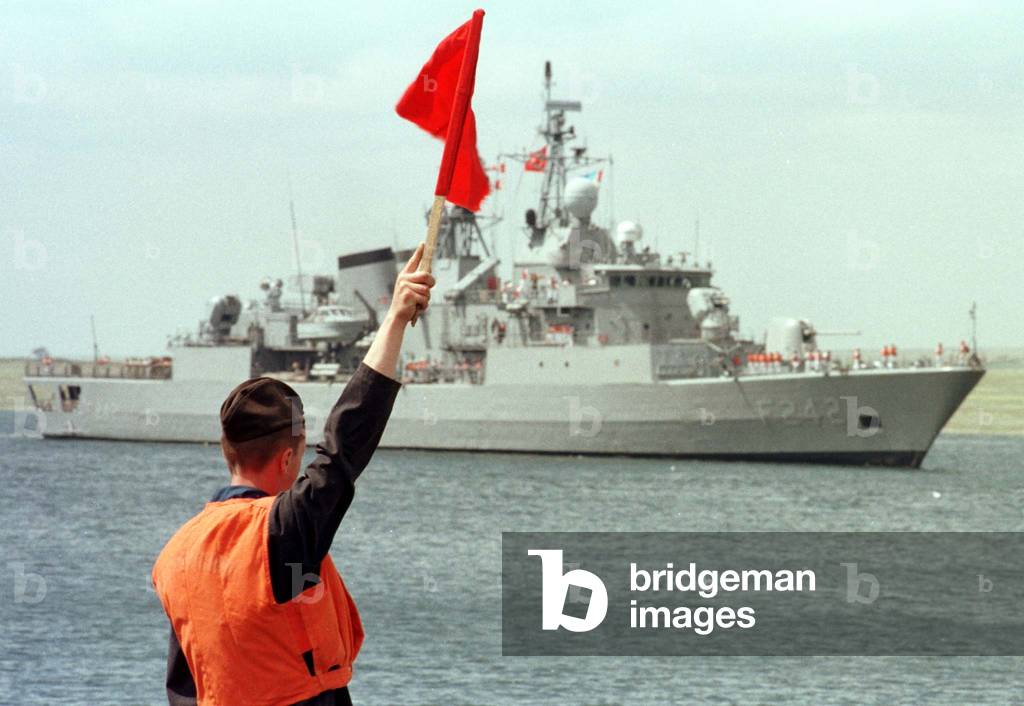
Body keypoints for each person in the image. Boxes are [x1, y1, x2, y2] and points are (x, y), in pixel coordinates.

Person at [152, 245, 435, 706]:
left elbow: (185, 688)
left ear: (228, 449)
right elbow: (346, 446)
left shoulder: (174, 557)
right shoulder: (282, 533)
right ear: (288, 458)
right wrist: (397, 317)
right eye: (302, 455)